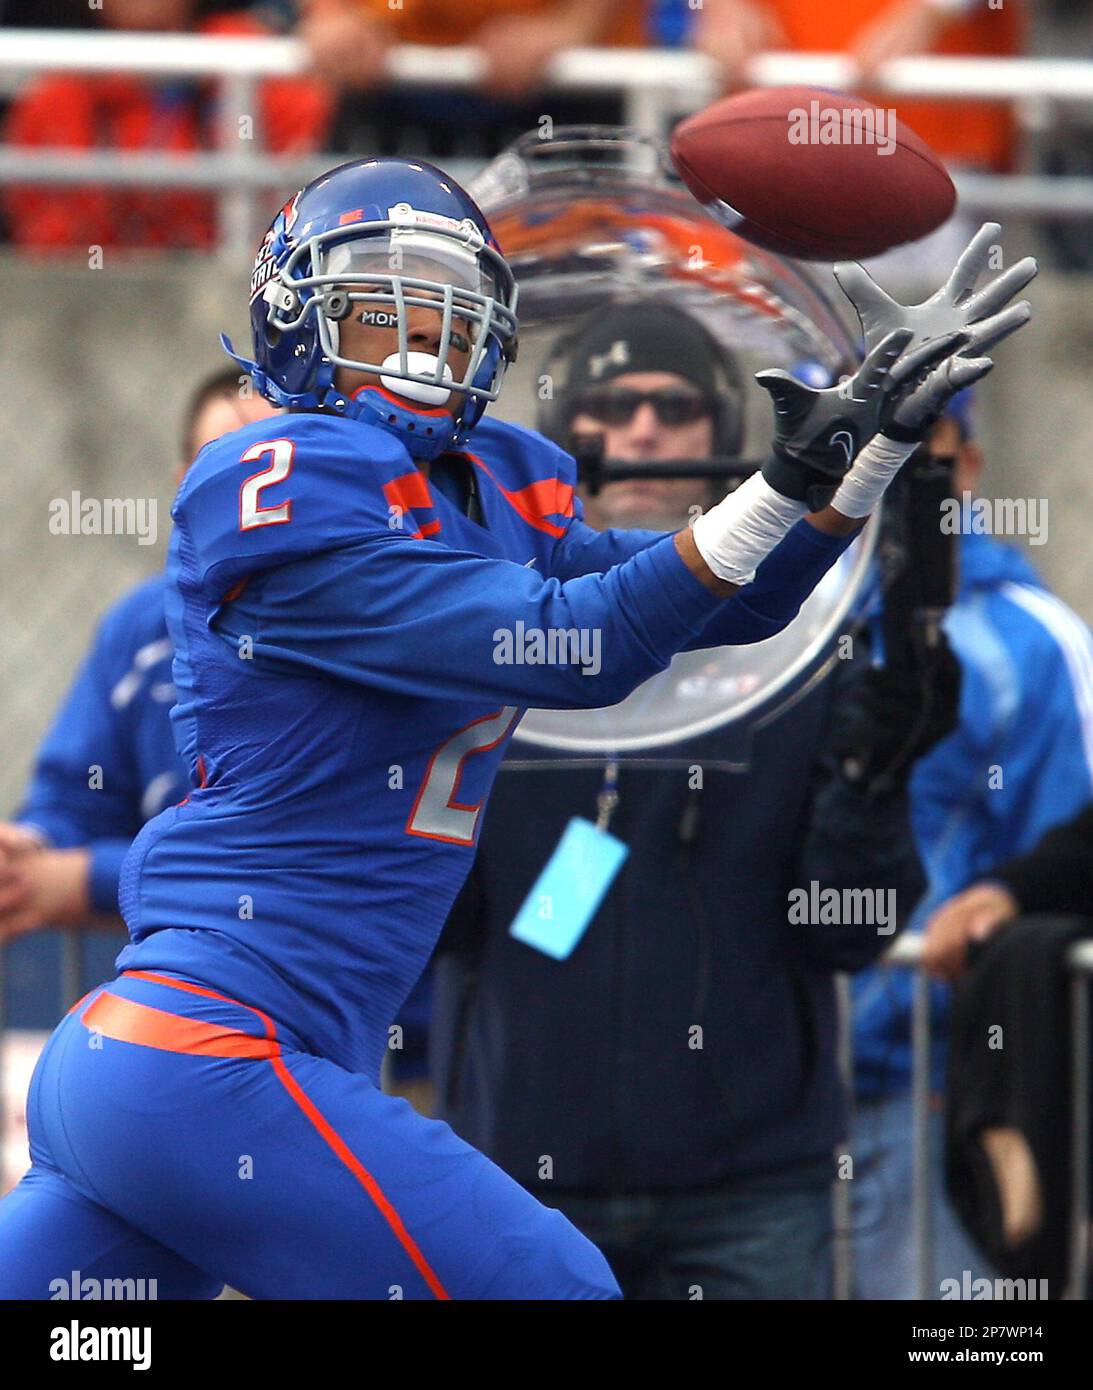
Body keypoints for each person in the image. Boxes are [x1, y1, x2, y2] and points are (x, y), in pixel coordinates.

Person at [0, 154, 1018, 1299]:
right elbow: (582, 641)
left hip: (168, 1067)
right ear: (298, 320)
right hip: (215, 1053)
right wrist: (779, 482)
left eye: (444, 311)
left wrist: (867, 458)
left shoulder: (491, 481)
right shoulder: (284, 477)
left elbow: (726, 601)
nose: (421, 343)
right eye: (383, 311)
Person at [429, 298, 961, 1300]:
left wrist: (869, 777)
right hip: (520, 1167)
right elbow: (432, 920)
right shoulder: (498, 633)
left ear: (725, 429)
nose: (640, 429)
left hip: (751, 1181)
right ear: (565, 433)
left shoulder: (802, 641)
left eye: (671, 404)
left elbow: (851, 929)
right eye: (610, 404)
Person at [849, 393, 1093, 1299]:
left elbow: (1065, 864)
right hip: (747, 1106)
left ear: (968, 465)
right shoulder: (755, 629)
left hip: (938, 1097)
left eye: (906, 445)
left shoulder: (1034, 641)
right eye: (847, 447)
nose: (871, 472)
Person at [0, 369, 277, 947]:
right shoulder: (142, 626)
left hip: (373, 1006)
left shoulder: (367, 632)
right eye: (225, 467)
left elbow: (279, 864)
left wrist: (87, 880)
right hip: (189, 990)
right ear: (183, 488)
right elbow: (74, 802)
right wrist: (29, 851)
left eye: (276, 467)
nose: (255, 495)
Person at [3, 0, 333, 253]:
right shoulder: (56, 94)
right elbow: (41, 243)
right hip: (90, 307)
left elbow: (305, 189)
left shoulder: (253, 62)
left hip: (231, 298)